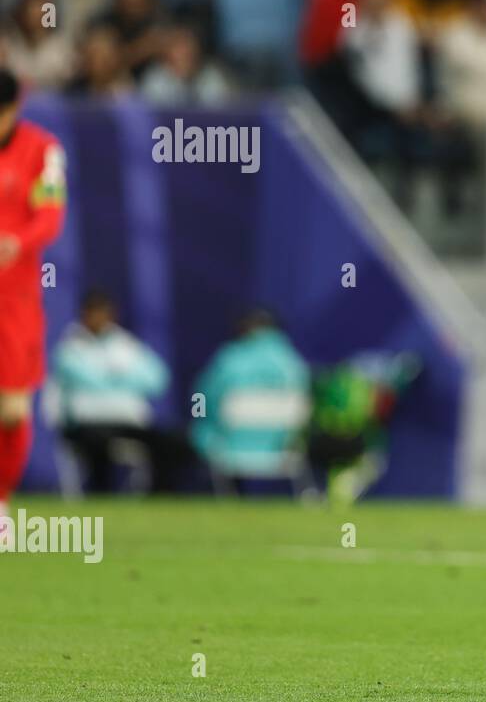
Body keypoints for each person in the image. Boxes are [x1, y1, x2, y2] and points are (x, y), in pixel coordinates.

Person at [0, 67, 66, 530]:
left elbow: (51, 214)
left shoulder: (42, 150)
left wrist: (18, 241)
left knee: (12, 409)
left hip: (13, 299)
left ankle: (0, 501)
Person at [52, 291, 192, 492]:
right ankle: (100, 497)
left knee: (174, 442)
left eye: (103, 313)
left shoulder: (126, 345)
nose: (99, 319)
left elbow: (158, 379)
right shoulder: (69, 347)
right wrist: (123, 377)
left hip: (127, 422)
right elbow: (83, 378)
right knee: (98, 445)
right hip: (86, 424)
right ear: (84, 314)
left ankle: (159, 499)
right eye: (93, 313)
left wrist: (110, 377)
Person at [190, 309, 311, 491]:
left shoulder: (229, 359)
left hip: (225, 447)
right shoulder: (292, 362)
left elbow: (203, 399)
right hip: (281, 448)